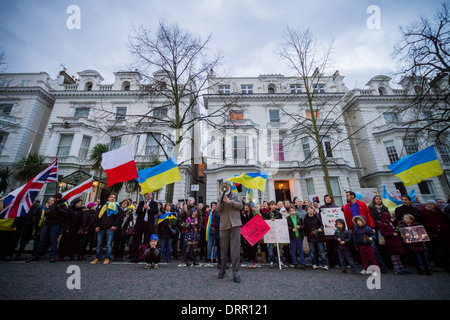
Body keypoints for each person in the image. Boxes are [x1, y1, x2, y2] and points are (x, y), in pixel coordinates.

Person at [27, 193, 69, 263]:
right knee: (42, 239)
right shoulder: (52, 205)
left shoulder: (62, 205)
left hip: (56, 224)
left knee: (53, 240)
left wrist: (58, 209)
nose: (54, 199)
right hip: (47, 223)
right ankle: (37, 255)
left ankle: (53, 256)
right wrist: (47, 211)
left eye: (55, 198)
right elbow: (46, 214)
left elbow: (66, 213)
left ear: (58, 198)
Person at [216, 181, 244, 283]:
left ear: (230, 187)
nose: (225, 188)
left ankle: (235, 273)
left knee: (235, 250)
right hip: (224, 226)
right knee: (223, 250)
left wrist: (230, 202)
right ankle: (222, 270)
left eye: (227, 186)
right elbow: (218, 210)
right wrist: (222, 202)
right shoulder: (220, 196)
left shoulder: (235, 195)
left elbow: (240, 206)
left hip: (235, 225)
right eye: (224, 186)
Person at [420, 199, 450, 271]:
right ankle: (432, 262)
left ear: (435, 205)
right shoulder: (424, 212)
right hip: (430, 232)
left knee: (441, 248)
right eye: (428, 204)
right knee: (430, 248)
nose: (430, 206)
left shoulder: (439, 212)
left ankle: (442, 262)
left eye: (431, 204)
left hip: (440, 232)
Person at [90, 194, 120, 265]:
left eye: (114, 197)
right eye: (111, 197)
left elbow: (118, 217)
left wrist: (115, 225)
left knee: (109, 244)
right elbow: (97, 216)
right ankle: (98, 258)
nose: (113, 198)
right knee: (99, 244)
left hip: (110, 228)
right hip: (101, 227)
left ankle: (107, 258)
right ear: (108, 198)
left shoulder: (116, 207)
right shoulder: (103, 206)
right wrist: (96, 226)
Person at [131, 192, 159, 262]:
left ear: (152, 195)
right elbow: (137, 211)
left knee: (147, 241)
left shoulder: (154, 203)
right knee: (137, 241)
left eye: (149, 194)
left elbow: (155, 211)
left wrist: (149, 208)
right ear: (145, 195)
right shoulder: (141, 203)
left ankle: (145, 256)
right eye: (147, 194)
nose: (148, 195)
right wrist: (143, 208)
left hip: (148, 224)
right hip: (140, 224)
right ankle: (135, 256)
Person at [304, 205, 329, 270]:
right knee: (312, 251)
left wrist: (320, 229)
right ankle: (314, 264)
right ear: (307, 211)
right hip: (310, 237)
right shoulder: (305, 218)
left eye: (311, 209)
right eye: (309, 209)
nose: (311, 210)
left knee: (322, 251)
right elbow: (305, 228)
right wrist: (308, 234)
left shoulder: (317, 217)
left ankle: (325, 264)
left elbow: (321, 225)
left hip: (319, 236)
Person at [319, 194, 340, 269]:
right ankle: (332, 263)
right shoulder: (322, 208)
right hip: (327, 231)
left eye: (329, 198)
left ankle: (338, 262)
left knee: (337, 247)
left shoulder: (336, 207)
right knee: (329, 247)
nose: (328, 199)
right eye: (326, 198)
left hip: (335, 230)